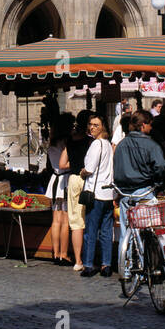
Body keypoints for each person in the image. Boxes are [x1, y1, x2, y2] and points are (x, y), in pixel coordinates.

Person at [113, 108, 165, 288]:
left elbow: (116, 171)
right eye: (150, 125)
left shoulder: (121, 145)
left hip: (125, 194)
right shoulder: (151, 145)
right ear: (143, 125)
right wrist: (158, 180)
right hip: (144, 191)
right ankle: (154, 265)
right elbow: (160, 166)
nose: (151, 128)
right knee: (151, 229)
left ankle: (126, 268)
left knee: (125, 233)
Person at [79, 115, 115, 278]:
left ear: (102, 128)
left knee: (91, 231)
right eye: (90, 124)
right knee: (107, 231)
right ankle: (106, 264)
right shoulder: (108, 144)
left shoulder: (96, 144)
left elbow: (90, 168)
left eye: (96, 125)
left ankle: (88, 264)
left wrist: (82, 171)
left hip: (96, 194)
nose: (92, 127)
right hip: (108, 193)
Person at [45, 115, 73, 265]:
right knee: (65, 220)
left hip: (54, 180)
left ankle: (55, 253)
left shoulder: (52, 143)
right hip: (65, 180)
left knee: (56, 220)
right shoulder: (67, 143)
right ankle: (64, 253)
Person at [67, 110, 91, 271]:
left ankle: (78, 261)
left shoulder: (70, 140)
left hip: (73, 179)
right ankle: (90, 258)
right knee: (90, 219)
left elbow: (64, 163)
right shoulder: (90, 142)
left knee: (76, 222)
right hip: (87, 180)